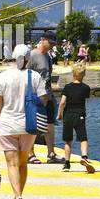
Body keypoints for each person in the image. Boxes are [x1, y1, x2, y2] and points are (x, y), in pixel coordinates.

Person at [0, 43, 47, 199]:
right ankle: (18, 197)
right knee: (22, 164)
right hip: (28, 126)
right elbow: (44, 100)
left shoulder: (3, 77)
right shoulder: (34, 76)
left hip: (7, 126)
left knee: (11, 164)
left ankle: (17, 197)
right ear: (28, 58)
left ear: (13, 57)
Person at [27, 36, 61, 164]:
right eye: (50, 43)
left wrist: (51, 96)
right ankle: (30, 154)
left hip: (48, 95)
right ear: (43, 40)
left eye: (54, 43)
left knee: (50, 125)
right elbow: (25, 75)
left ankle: (51, 154)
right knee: (33, 125)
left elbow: (48, 76)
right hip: (35, 96)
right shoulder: (31, 55)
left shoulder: (48, 57)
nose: (52, 45)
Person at [57, 64, 95, 174]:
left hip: (68, 116)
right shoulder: (86, 88)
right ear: (84, 75)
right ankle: (84, 156)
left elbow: (62, 102)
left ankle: (67, 164)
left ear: (73, 74)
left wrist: (59, 114)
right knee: (83, 138)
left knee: (68, 141)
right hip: (80, 115)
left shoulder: (67, 87)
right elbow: (86, 99)